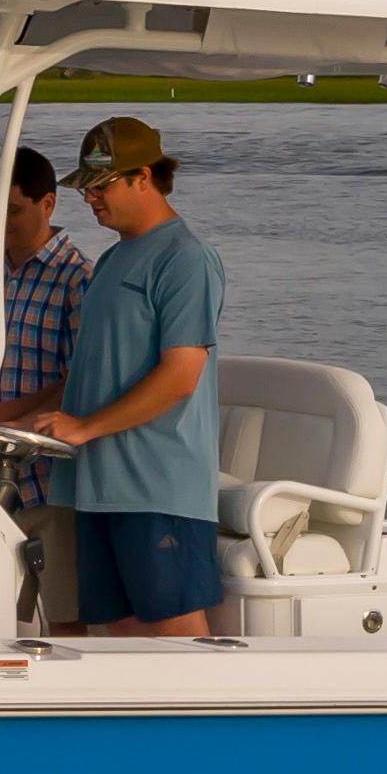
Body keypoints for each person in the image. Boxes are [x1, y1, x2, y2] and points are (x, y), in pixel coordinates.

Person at [32, 116, 226, 636]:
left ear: (143, 177)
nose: (90, 199)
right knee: (119, 635)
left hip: (156, 485)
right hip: (98, 486)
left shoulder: (185, 258)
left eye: (101, 186)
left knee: (174, 628)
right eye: (86, 189)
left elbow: (181, 375)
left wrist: (84, 428)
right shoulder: (114, 258)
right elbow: (95, 370)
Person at [0, 145, 91, 630]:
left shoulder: (79, 280)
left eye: (12, 210)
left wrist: (3, 415)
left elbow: (80, 379)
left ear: (48, 204)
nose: (0, 222)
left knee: (66, 612)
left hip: (48, 475)